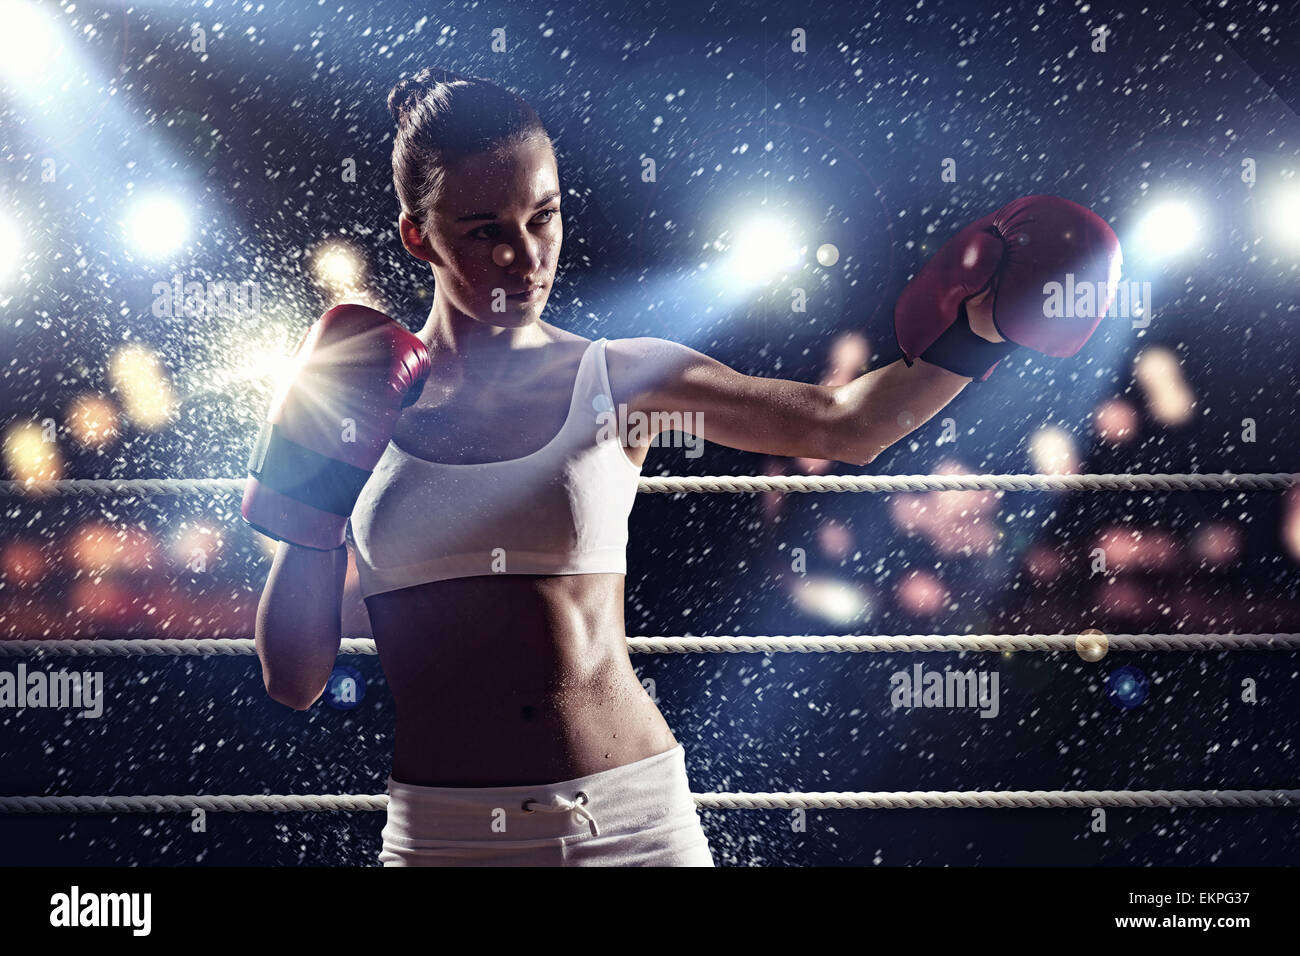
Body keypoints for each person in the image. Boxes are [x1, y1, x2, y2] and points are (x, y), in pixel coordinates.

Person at [241, 68, 1121, 866]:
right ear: (416, 235)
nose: (524, 256)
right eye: (483, 231)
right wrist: (312, 500)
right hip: (441, 838)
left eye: (542, 216)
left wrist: (979, 329)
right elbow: (294, 679)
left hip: (627, 828)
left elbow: (848, 426)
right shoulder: (359, 387)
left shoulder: (620, 376)